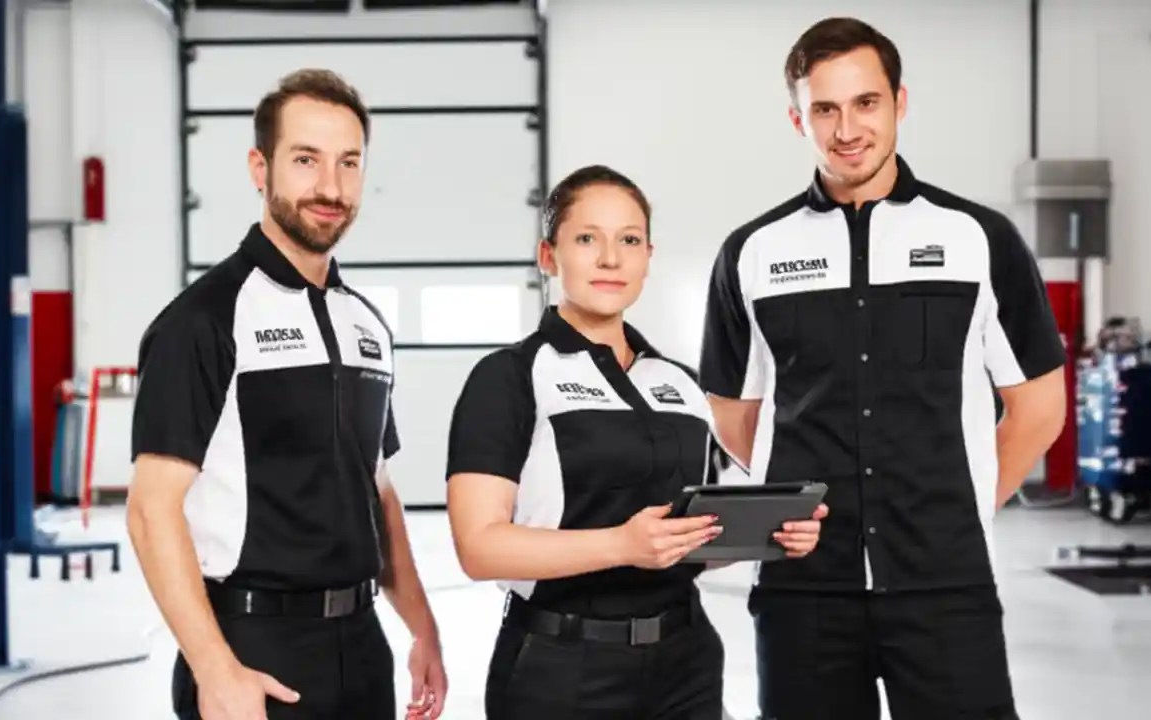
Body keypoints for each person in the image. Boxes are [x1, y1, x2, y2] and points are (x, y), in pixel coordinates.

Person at [699, 17, 1067, 720]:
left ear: (899, 102)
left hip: (946, 586)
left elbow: (1040, 407)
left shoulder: (978, 239)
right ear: (796, 118)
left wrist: (961, 505)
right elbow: (733, 414)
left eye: (865, 103)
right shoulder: (751, 252)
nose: (846, 129)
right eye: (824, 109)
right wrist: (794, 506)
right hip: (802, 587)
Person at [444, 165, 828, 719]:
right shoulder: (509, 377)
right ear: (549, 256)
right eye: (586, 239)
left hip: (686, 663)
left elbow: (688, 535)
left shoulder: (680, 382)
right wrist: (622, 545)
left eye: (628, 240)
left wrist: (773, 532)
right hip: (562, 669)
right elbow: (478, 548)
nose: (610, 258)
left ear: (648, 255)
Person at [126, 69, 447, 720]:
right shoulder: (204, 322)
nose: (330, 187)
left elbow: (377, 491)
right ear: (259, 166)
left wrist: (423, 628)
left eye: (348, 163)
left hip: (362, 649)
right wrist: (215, 671)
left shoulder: (367, 325)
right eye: (306, 160)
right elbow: (149, 510)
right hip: (251, 651)